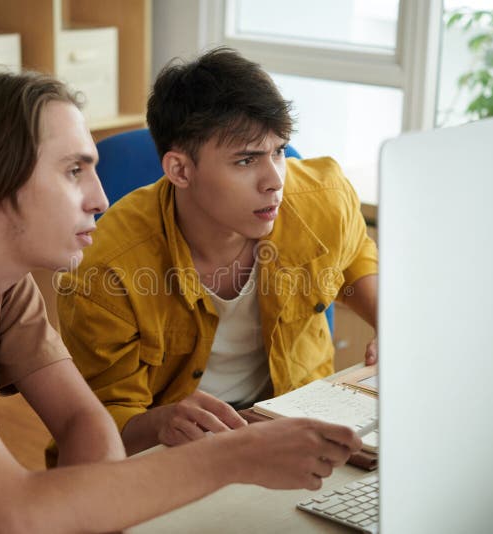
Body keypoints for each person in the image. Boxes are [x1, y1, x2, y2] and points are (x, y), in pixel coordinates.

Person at [0, 69, 362, 533]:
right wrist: (235, 456)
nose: (99, 198)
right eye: (74, 171)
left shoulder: (4, 284)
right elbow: (9, 513)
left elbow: (83, 420)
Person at [57, 47, 379, 456]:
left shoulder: (324, 197)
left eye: (278, 150)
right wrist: (160, 422)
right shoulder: (105, 270)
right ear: (180, 170)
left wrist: (388, 324)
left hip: (296, 429)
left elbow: (354, 254)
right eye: (246, 160)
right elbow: (97, 426)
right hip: (170, 457)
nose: (274, 181)